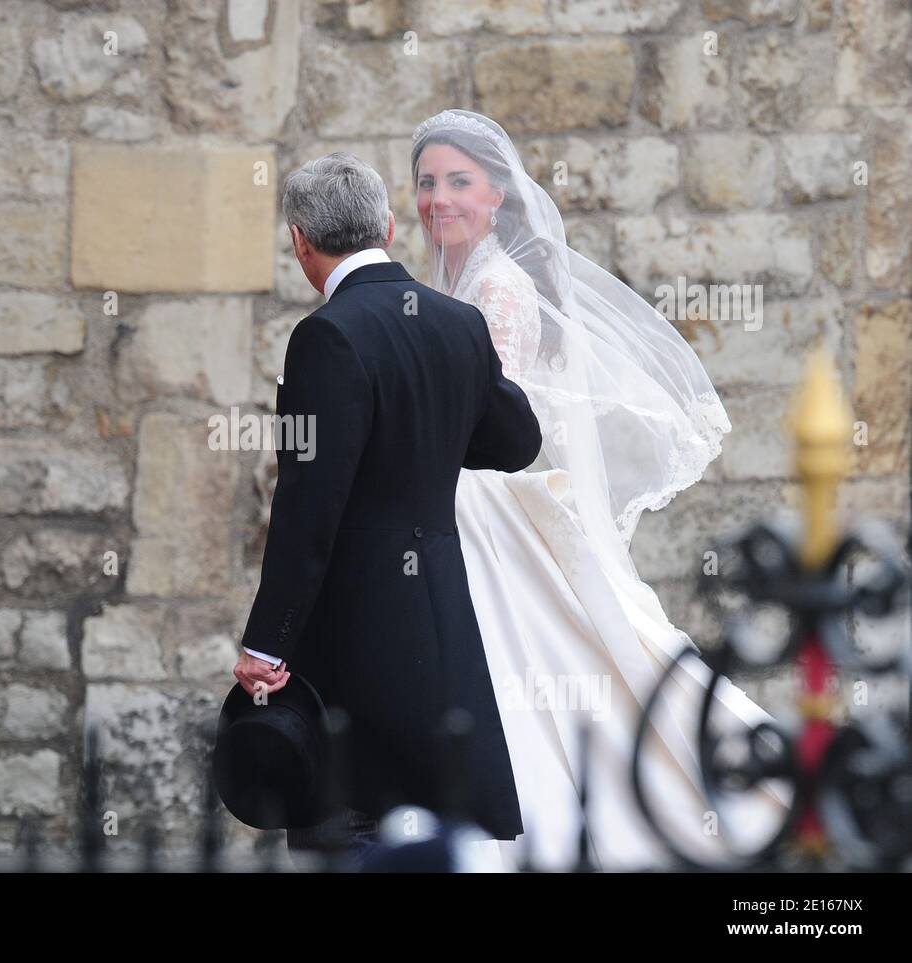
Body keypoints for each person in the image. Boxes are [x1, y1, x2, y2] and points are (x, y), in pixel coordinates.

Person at [408, 109, 791, 869]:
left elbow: (488, 418)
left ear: (496, 197)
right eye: (426, 182)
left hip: (480, 501)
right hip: (460, 499)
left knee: (538, 654)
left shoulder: (498, 288)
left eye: (458, 181)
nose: (438, 198)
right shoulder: (451, 283)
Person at [231, 152, 543, 861]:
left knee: (352, 821)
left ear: (300, 240)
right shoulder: (460, 324)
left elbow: (309, 507)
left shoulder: (326, 335)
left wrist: (266, 643)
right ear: (390, 227)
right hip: (441, 610)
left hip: (355, 626)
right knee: (431, 820)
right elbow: (517, 442)